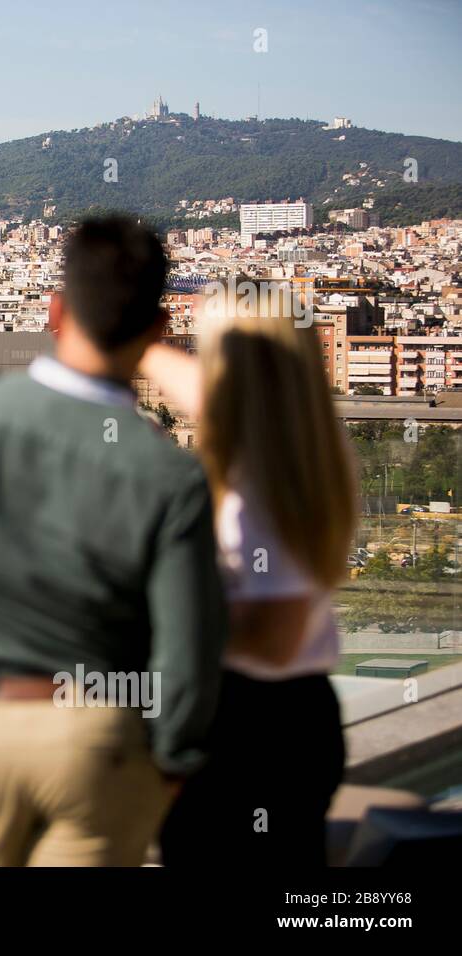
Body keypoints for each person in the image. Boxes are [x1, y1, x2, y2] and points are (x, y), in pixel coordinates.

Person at [0, 215, 229, 866]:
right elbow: (189, 647)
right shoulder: (169, 475)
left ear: (54, 309)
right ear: (160, 332)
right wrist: (171, 761)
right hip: (99, 739)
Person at [141, 280, 356, 867]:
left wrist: (158, 631)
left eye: (212, 348)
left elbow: (275, 637)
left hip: (251, 731)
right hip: (295, 718)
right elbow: (208, 393)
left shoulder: (261, 479)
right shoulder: (306, 440)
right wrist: (137, 337)